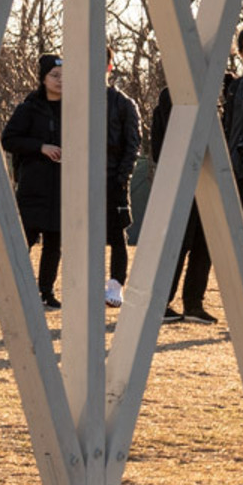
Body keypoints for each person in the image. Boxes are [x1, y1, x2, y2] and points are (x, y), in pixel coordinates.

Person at [165, 24, 243, 325]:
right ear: (242, 55)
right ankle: (186, 302)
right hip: (230, 170)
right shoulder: (235, 88)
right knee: (205, 237)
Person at [1, 55, 67, 309]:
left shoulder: (76, 108)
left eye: (64, 76)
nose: (60, 81)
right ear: (43, 78)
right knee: (24, 239)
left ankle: (46, 291)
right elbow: (10, 139)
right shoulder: (29, 108)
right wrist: (41, 147)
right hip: (34, 184)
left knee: (54, 242)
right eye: (55, 76)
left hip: (63, 187)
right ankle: (13, 288)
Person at [102, 50, 139, 308]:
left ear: (109, 66)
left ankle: (116, 285)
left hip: (113, 179)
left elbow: (132, 145)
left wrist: (121, 178)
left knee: (117, 234)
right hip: (80, 180)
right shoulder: (72, 99)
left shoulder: (123, 103)